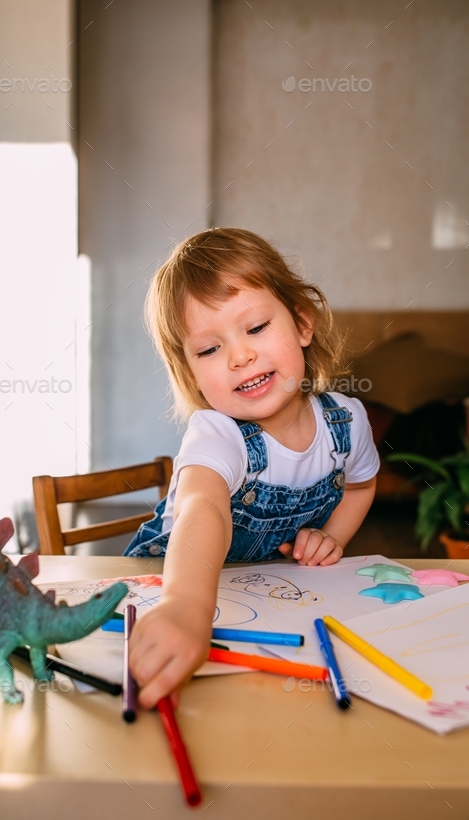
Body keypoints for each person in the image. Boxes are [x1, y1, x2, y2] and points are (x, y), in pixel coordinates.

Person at [124, 228, 379, 708]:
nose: (240, 356)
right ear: (192, 375)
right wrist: (184, 606)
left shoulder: (346, 424)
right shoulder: (217, 434)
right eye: (208, 349)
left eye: (256, 328)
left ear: (303, 325)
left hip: (264, 600)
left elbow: (362, 486)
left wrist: (335, 537)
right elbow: (205, 510)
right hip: (169, 590)